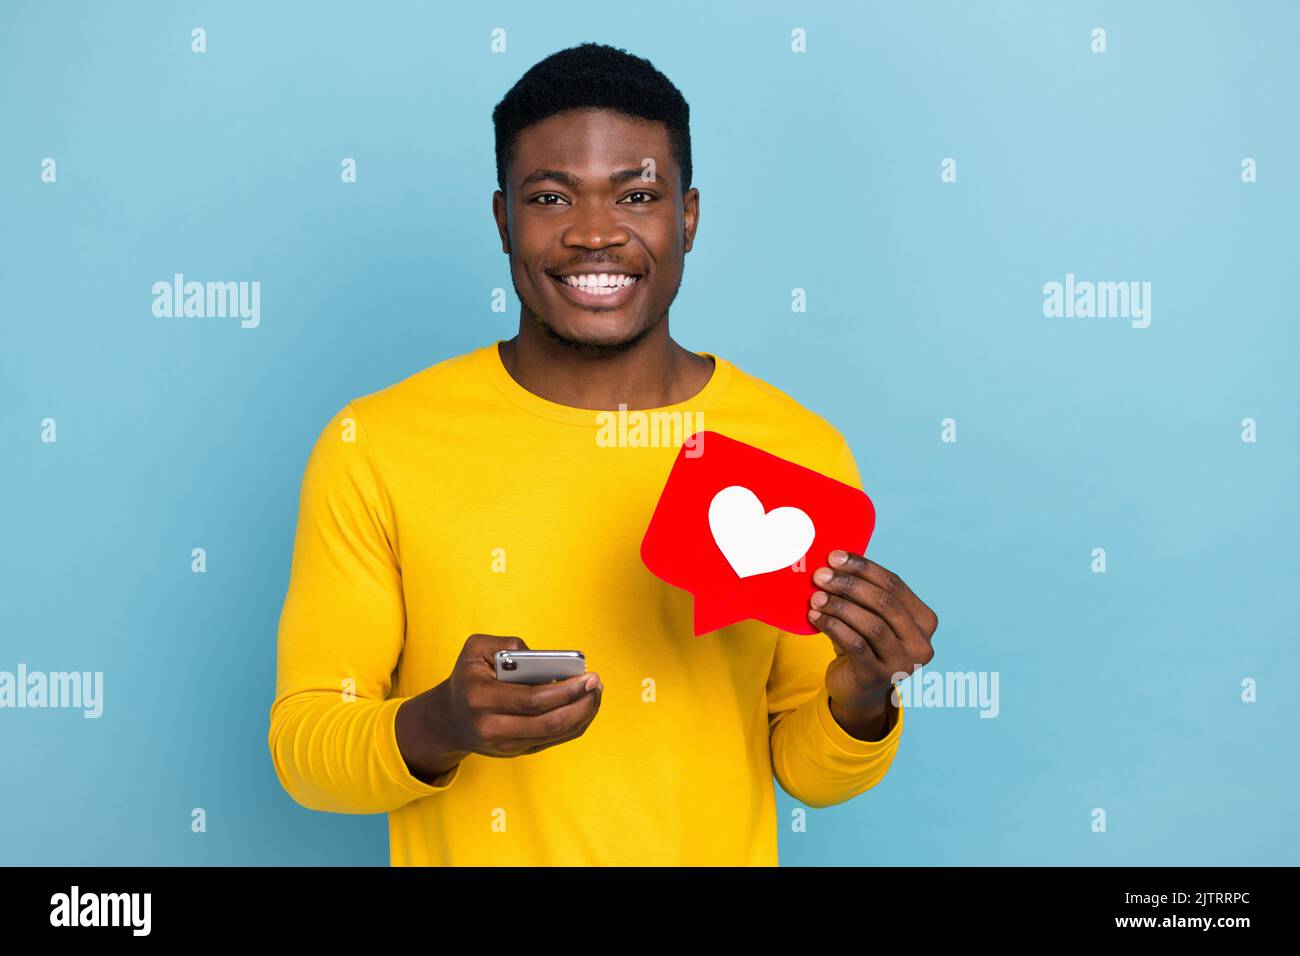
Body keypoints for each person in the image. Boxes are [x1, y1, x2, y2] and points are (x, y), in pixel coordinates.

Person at [268, 41, 938, 866]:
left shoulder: (794, 447)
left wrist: (862, 696)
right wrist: (441, 722)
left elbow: (809, 772)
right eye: (551, 197)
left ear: (687, 217)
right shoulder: (376, 445)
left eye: (638, 195)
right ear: (503, 220)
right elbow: (305, 751)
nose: (593, 233)